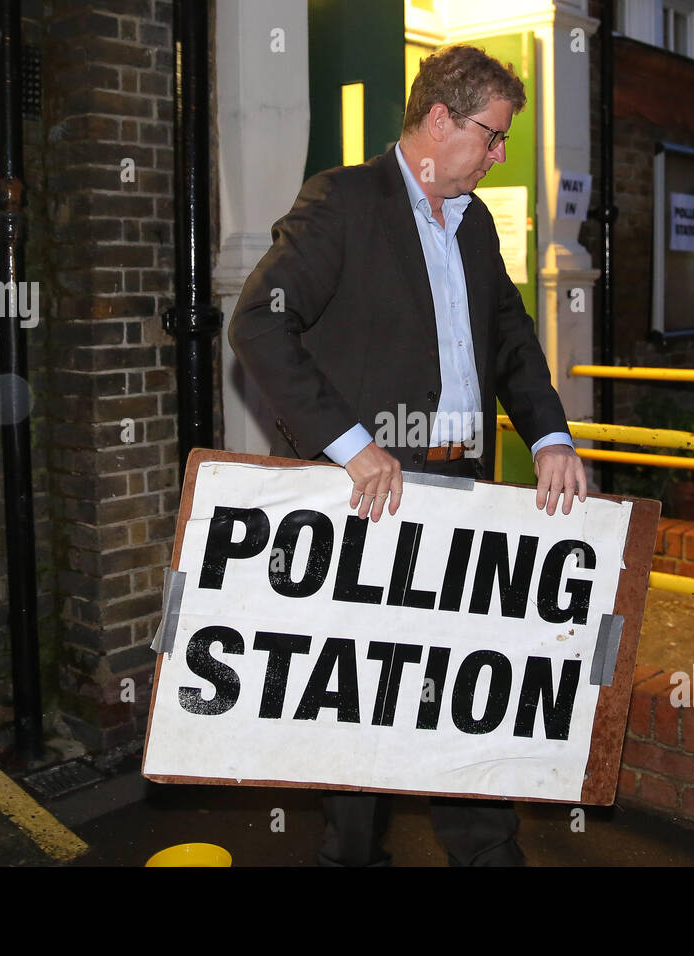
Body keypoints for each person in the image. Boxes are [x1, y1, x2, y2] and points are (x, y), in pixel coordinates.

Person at [228, 43, 587, 866]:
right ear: (439, 119)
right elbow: (257, 323)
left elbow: (510, 342)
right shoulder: (344, 202)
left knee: (466, 689)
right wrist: (352, 446)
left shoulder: (476, 221)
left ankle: (486, 852)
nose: (501, 154)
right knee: (368, 703)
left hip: (466, 492)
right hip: (374, 503)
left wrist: (551, 436)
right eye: (493, 136)